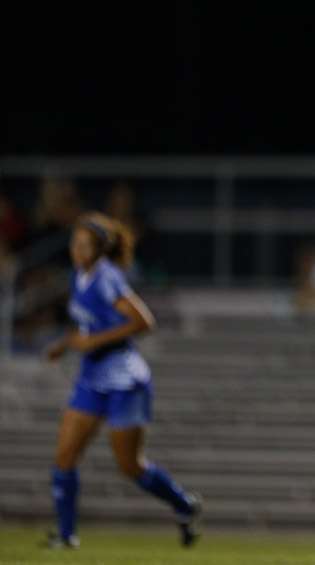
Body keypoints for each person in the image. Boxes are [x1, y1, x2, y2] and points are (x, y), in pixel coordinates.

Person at [40, 212, 202, 549]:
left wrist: (92, 343)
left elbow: (144, 321)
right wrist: (63, 345)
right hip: (92, 376)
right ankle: (67, 537)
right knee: (64, 457)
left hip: (124, 379)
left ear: (100, 250)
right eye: (75, 243)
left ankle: (184, 505)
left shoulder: (107, 277)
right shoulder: (79, 278)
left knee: (129, 466)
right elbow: (90, 326)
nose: (77, 250)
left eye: (85, 245)